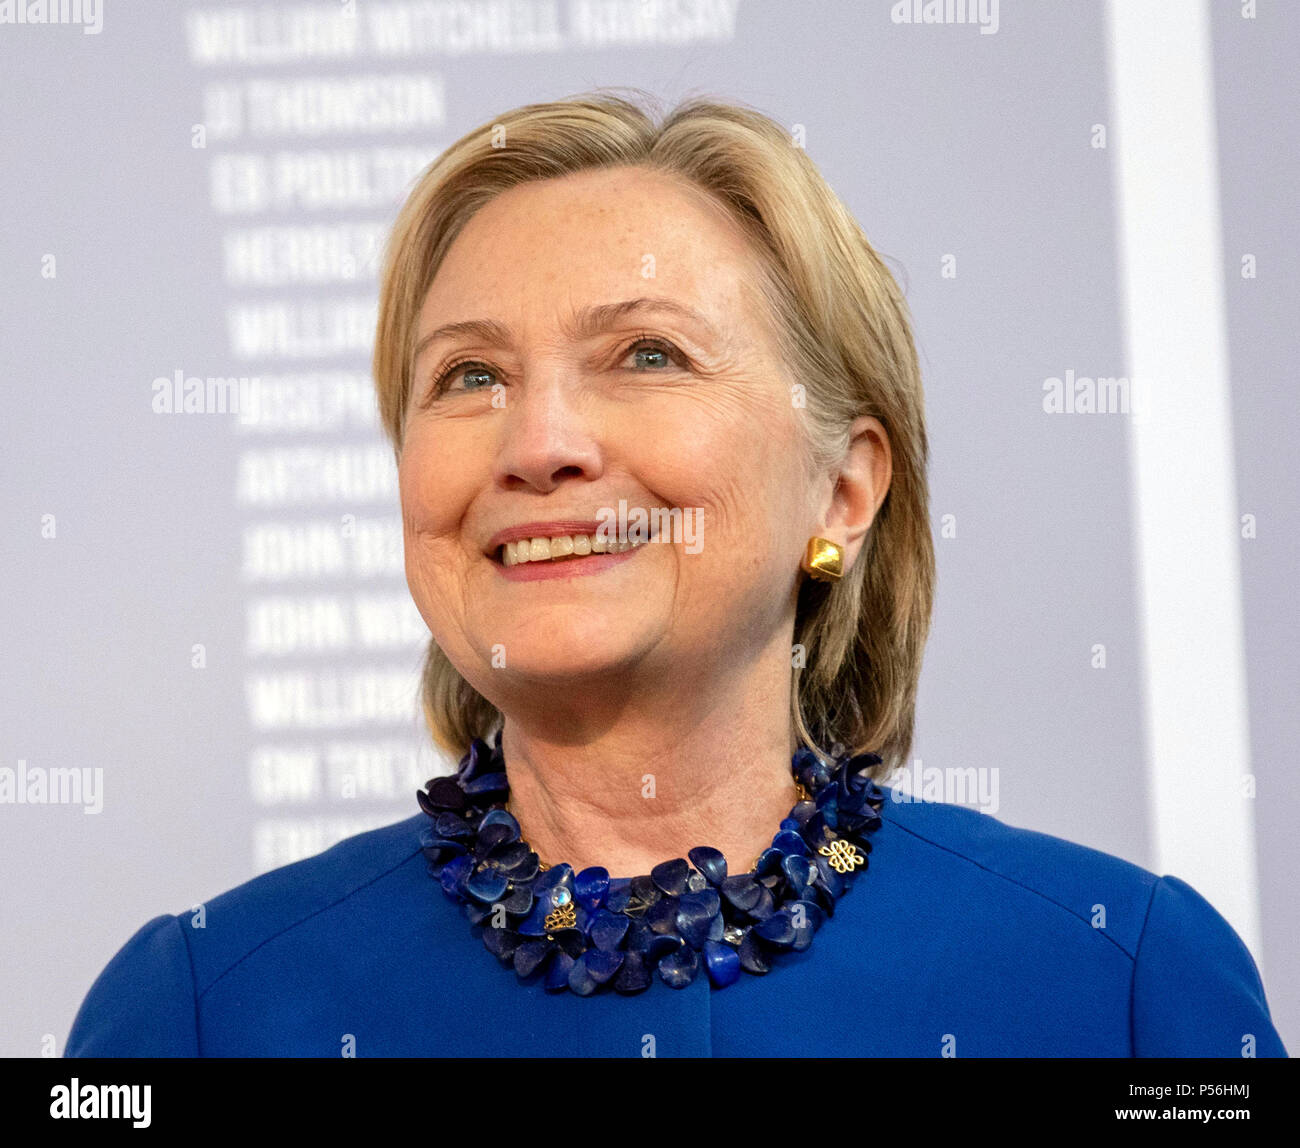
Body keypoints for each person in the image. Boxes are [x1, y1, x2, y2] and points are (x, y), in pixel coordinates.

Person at [66, 90, 1286, 1057]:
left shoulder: (1121, 979)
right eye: (468, 376)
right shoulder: (196, 1012)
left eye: (645, 352)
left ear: (843, 490)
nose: (539, 443)